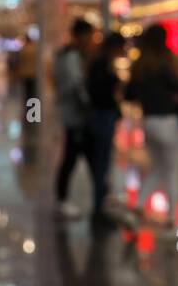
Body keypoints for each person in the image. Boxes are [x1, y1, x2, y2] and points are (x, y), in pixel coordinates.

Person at [123, 23, 178, 228]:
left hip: (149, 122)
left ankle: (140, 205)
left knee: (158, 167)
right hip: (168, 120)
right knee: (173, 170)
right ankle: (172, 217)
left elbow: (129, 94)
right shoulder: (166, 61)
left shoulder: (140, 64)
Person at [52, 17, 97, 219]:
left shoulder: (68, 55)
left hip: (72, 115)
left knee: (80, 158)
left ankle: (99, 198)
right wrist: (88, 104)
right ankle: (62, 200)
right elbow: (75, 85)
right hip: (75, 116)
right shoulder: (71, 58)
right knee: (71, 158)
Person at [84, 31, 126, 229]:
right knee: (101, 163)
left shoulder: (98, 62)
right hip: (102, 116)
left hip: (101, 116)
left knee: (102, 163)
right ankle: (100, 208)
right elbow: (99, 91)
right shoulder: (101, 64)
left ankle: (101, 205)